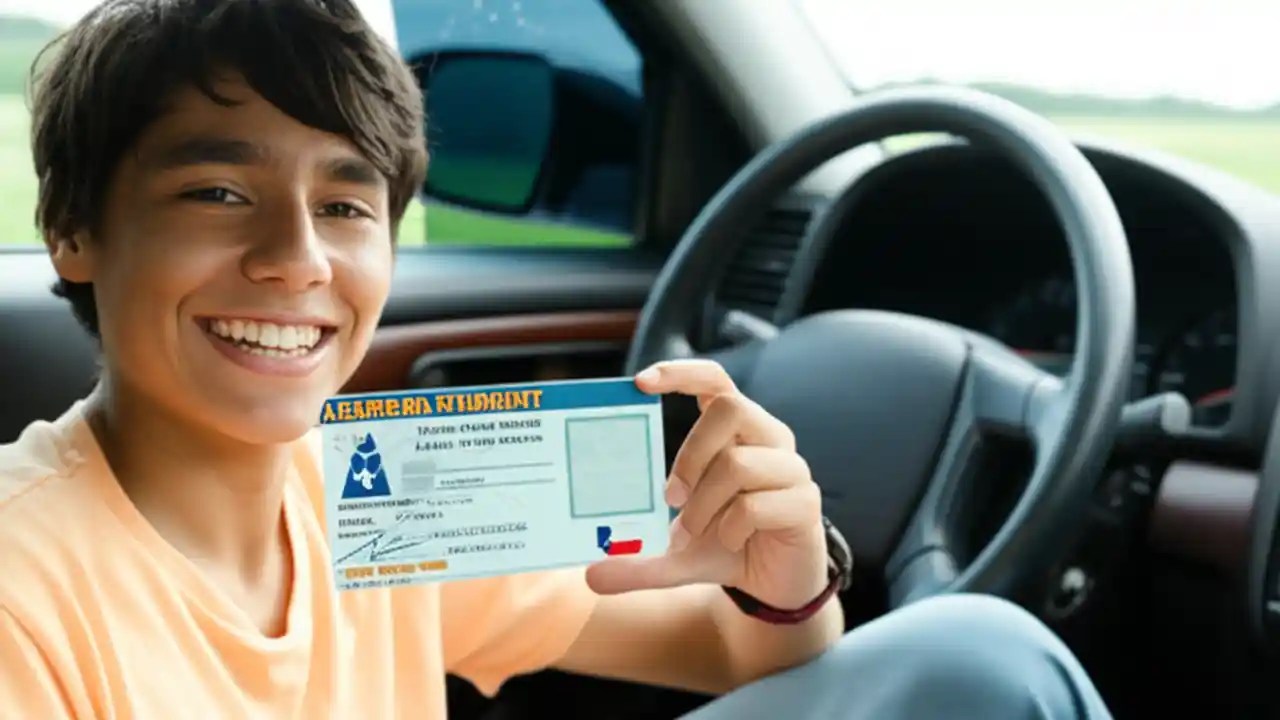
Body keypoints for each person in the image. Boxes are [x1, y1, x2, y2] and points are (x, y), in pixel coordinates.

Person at [0, 1, 1113, 718]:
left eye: (344, 206)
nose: (297, 260)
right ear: (73, 230)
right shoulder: (24, 588)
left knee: (980, 658)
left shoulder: (381, 493)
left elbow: (737, 657)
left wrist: (780, 579)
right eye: (217, 192)